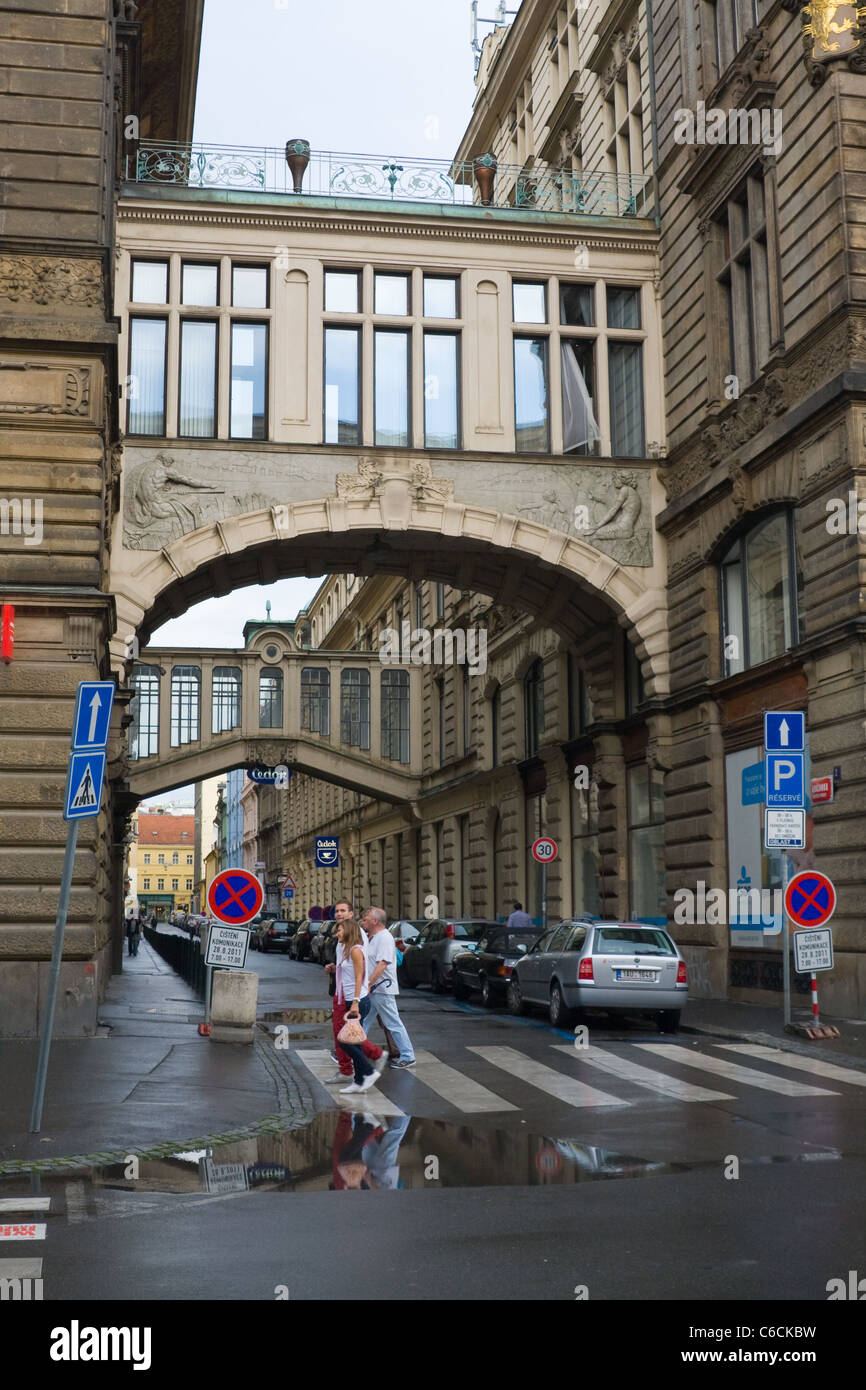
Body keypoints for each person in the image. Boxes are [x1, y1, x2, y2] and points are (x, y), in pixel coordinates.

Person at [324, 900, 384, 1082]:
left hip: (352, 995)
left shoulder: (357, 937)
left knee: (347, 1035)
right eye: (337, 911)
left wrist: (359, 995)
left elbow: (360, 967)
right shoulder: (341, 938)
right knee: (342, 1033)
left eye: (343, 911)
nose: (339, 914)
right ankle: (350, 1071)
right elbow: (348, 965)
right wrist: (335, 968)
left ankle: (371, 1059)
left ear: (351, 914)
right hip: (341, 992)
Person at [362, 907, 416, 1069]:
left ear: (375, 921)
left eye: (366, 918)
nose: (363, 921)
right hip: (375, 989)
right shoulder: (374, 937)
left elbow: (382, 964)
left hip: (381, 989)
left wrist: (369, 984)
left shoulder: (384, 938)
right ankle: (350, 1051)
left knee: (393, 1023)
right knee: (362, 1022)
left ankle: (408, 1055)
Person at [333, 917, 378, 1096]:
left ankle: (369, 1071)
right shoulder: (346, 950)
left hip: (357, 1001)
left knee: (344, 1041)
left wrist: (355, 1002)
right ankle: (358, 1082)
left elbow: (360, 977)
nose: (337, 933)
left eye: (340, 930)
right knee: (354, 1042)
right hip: (349, 999)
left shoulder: (356, 951)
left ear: (349, 931)